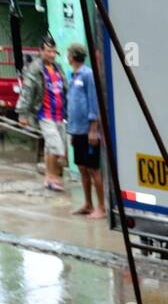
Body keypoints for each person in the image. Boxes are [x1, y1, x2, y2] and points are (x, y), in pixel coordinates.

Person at [17, 37, 68, 193]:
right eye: (48, 51)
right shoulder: (35, 68)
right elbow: (26, 92)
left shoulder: (57, 67)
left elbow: (64, 89)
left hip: (60, 115)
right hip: (44, 114)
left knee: (52, 148)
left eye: (54, 51)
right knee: (57, 148)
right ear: (41, 51)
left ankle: (47, 178)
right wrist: (22, 114)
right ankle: (54, 178)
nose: (52, 54)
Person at [66, 43, 105, 220]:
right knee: (82, 168)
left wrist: (93, 129)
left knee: (93, 169)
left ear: (72, 57)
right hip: (77, 130)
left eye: (68, 54)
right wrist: (73, 132)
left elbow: (93, 102)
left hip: (88, 131)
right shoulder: (73, 76)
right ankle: (88, 204)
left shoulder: (88, 75)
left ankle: (102, 207)